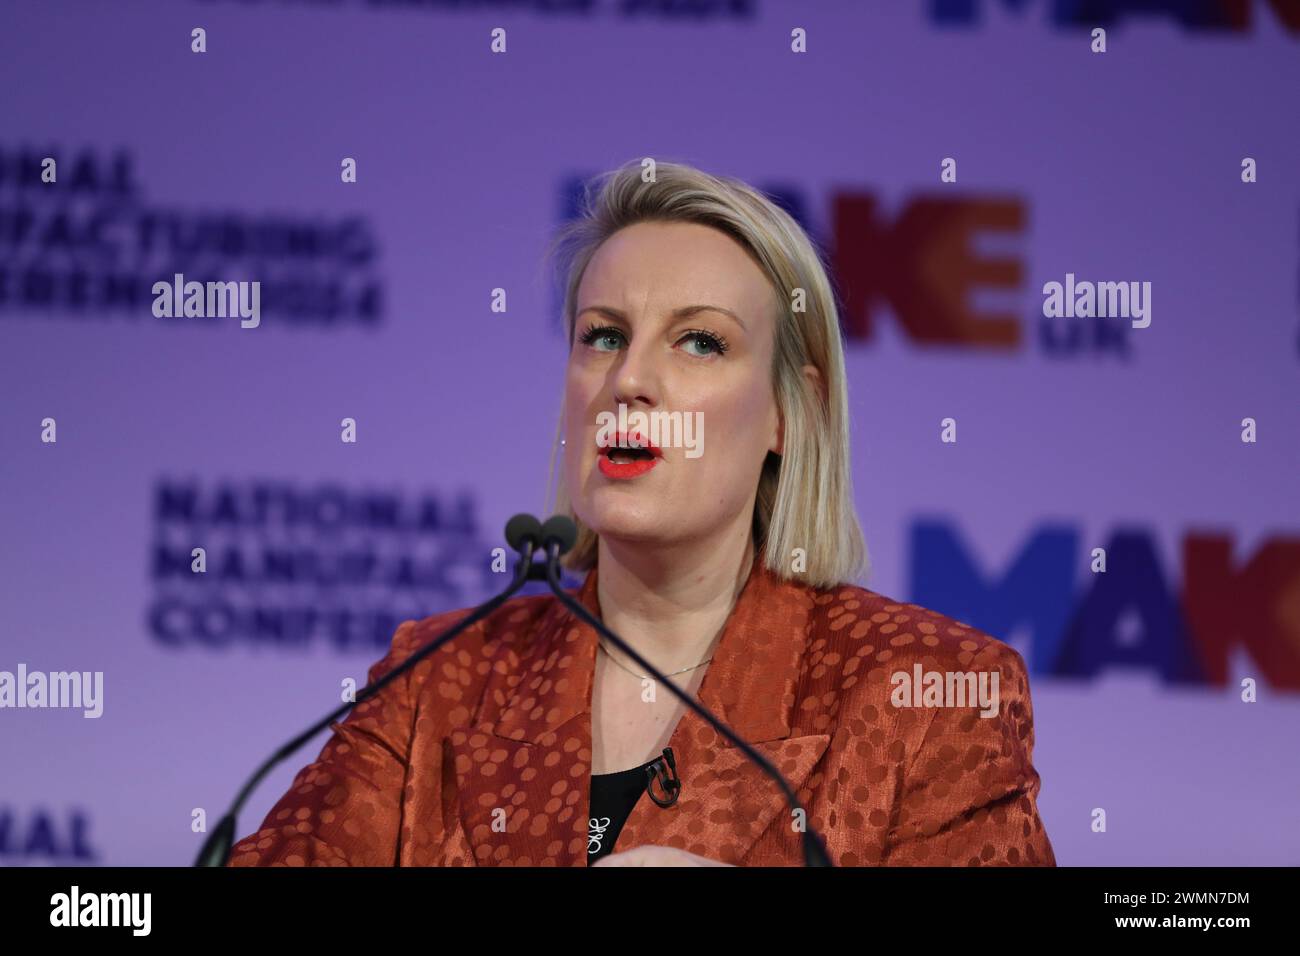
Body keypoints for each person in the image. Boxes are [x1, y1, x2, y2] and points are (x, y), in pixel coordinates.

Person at [226, 159, 1055, 867]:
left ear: (785, 415)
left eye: (700, 342)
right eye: (604, 336)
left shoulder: (932, 695)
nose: (630, 381)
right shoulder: (437, 680)